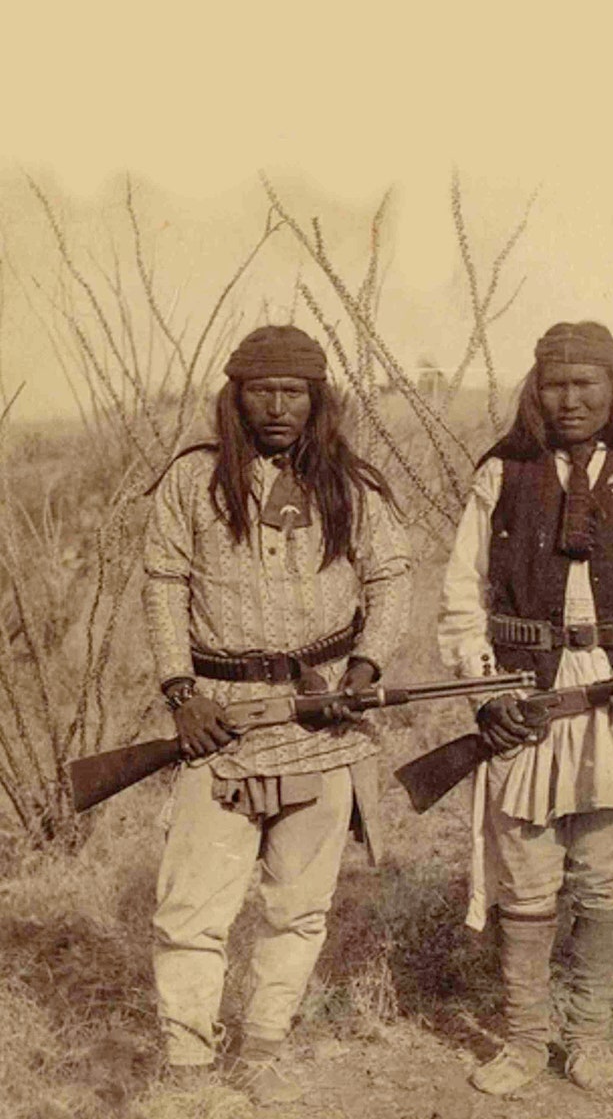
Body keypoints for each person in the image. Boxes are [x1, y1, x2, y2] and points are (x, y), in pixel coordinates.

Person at [143, 325, 413, 1103]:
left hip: (321, 722)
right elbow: (162, 584)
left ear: (318, 399)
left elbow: (391, 577)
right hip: (218, 725)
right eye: (261, 390)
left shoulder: (350, 485)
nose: (276, 406)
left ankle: (262, 1051)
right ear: (235, 397)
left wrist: (365, 665)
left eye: (293, 391)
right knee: (192, 908)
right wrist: (180, 693)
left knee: (298, 905)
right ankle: (189, 1066)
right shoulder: (192, 483)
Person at [436, 321, 613, 1095]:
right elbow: (462, 591)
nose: (570, 400)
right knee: (525, 873)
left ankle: (587, 1037)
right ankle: (524, 1040)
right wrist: (487, 689)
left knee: (604, 874)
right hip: (522, 689)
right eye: (555, 383)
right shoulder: (502, 472)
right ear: (535, 389)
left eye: (587, 383)